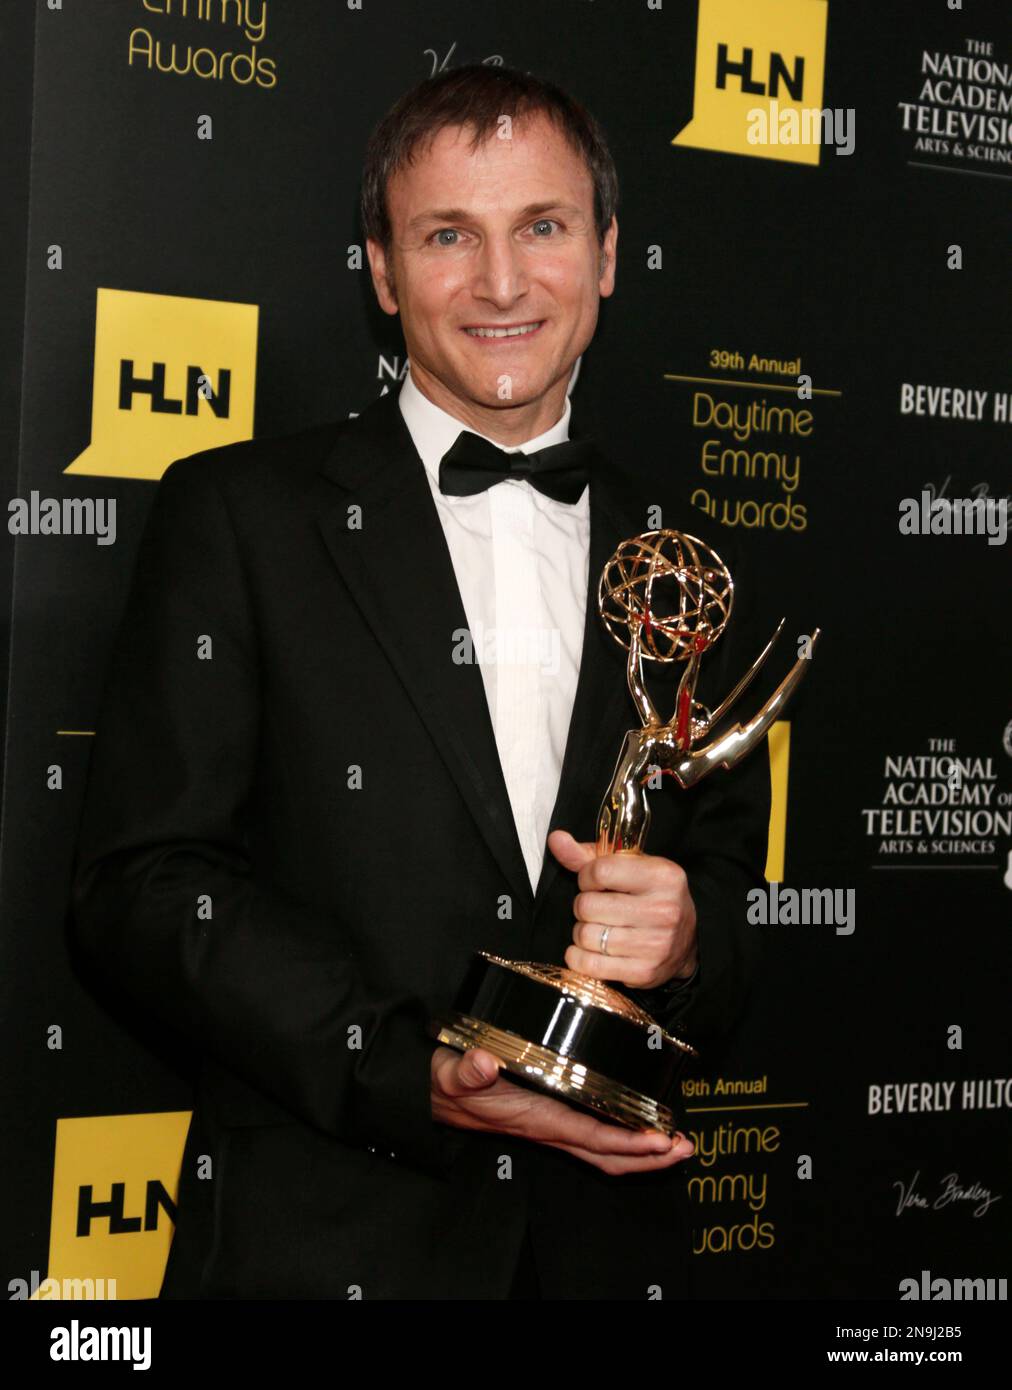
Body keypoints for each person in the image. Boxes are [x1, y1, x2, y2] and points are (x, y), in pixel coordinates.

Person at [70, 63, 771, 1300]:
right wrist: (411, 1064)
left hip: (604, 1254)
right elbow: (144, 886)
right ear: (385, 273)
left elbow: (724, 896)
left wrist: (688, 939)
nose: (502, 285)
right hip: (325, 1246)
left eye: (542, 228)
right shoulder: (239, 517)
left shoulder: (683, 557)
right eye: (450, 235)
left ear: (608, 255)